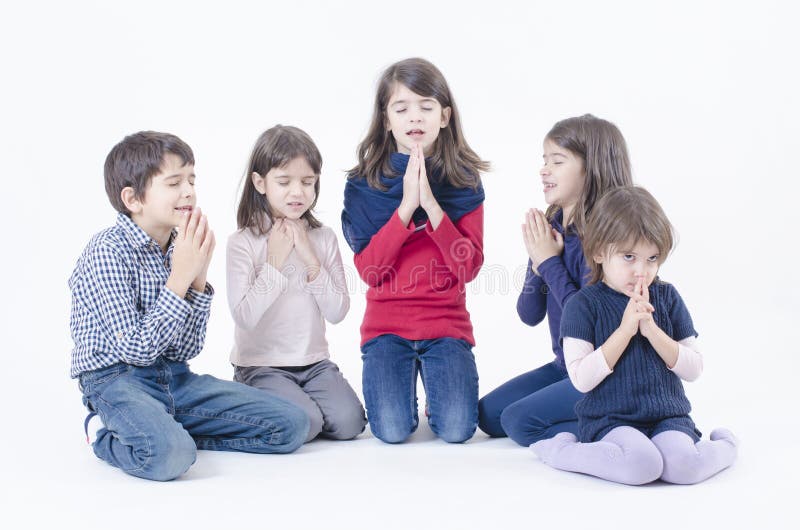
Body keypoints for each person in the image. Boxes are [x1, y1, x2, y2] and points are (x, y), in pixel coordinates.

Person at [70, 131, 309, 481]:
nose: (189, 192)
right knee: (167, 459)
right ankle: (103, 434)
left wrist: (198, 282)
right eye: (174, 183)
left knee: (292, 426)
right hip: (116, 382)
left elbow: (185, 350)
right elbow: (135, 349)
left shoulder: (180, 247)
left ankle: (170, 430)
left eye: (191, 180)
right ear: (133, 198)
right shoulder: (107, 251)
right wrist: (181, 278)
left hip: (173, 378)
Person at [532, 186, 737, 485]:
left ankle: (727, 446)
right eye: (629, 257)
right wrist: (625, 331)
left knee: (684, 467)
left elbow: (694, 369)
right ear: (600, 251)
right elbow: (581, 378)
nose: (642, 271)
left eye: (652, 258)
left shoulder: (666, 297)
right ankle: (561, 451)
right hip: (610, 419)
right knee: (642, 465)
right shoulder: (584, 304)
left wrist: (651, 330)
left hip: (668, 415)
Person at [342, 58, 488, 443]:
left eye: (426, 106)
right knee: (390, 431)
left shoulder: (463, 181)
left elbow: (468, 267)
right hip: (386, 327)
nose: (414, 117)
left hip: (446, 326)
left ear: (444, 116)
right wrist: (407, 207)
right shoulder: (363, 184)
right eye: (401, 108)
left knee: (457, 430)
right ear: (386, 119)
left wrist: (433, 207)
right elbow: (370, 271)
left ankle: (437, 395)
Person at [478, 114, 633, 446]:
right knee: (489, 415)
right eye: (544, 160)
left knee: (518, 423)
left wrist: (549, 261)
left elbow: (592, 321)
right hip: (566, 367)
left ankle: (626, 422)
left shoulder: (607, 242)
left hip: (607, 374)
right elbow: (529, 314)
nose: (544, 170)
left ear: (591, 169)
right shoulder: (552, 228)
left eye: (557, 161)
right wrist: (538, 262)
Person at [227, 125, 366, 442]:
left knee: (350, 423)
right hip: (261, 367)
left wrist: (309, 257)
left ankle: (296, 409)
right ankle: (259, 401)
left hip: (313, 364)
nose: (298, 192)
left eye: (308, 182)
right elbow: (244, 316)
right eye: (284, 181)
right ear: (260, 183)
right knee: (307, 422)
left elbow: (338, 311)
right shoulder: (243, 242)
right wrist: (274, 263)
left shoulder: (323, 237)